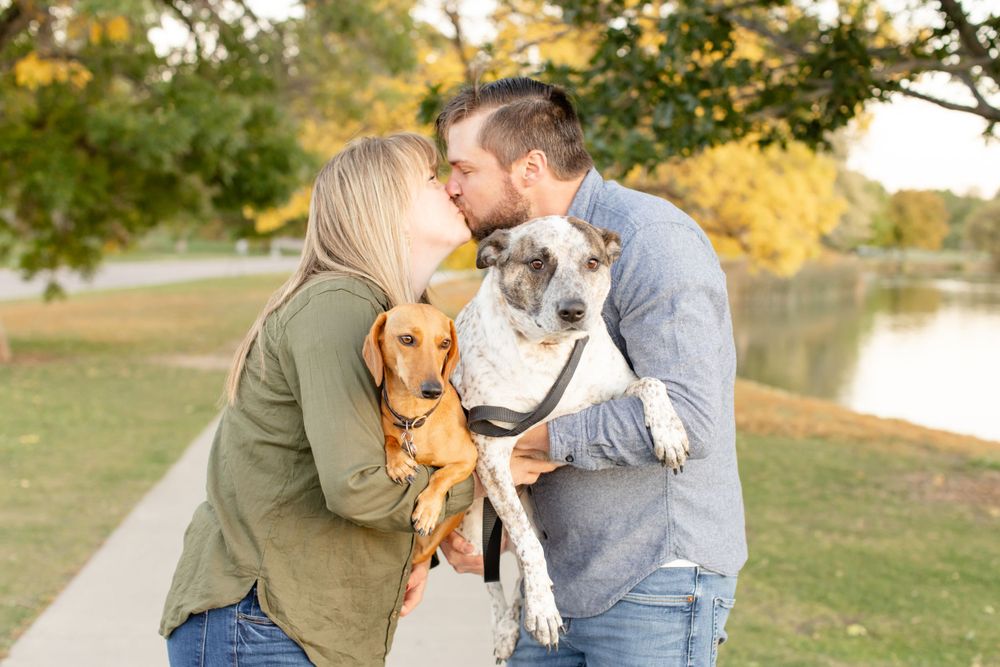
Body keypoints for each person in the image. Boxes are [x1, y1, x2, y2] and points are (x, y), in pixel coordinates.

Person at [436, 78, 748, 666]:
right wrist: (485, 522)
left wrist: (523, 441)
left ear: (529, 168)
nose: (451, 188)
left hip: (652, 580)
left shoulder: (655, 241)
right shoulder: (518, 260)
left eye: (464, 169)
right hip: (554, 582)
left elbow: (690, 417)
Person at [159, 133, 477, 666]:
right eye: (430, 178)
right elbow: (358, 489)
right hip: (261, 626)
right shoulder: (341, 305)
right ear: (388, 207)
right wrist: (473, 481)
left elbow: (390, 452)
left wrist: (417, 553)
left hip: (292, 628)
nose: (450, 186)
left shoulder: (398, 312)